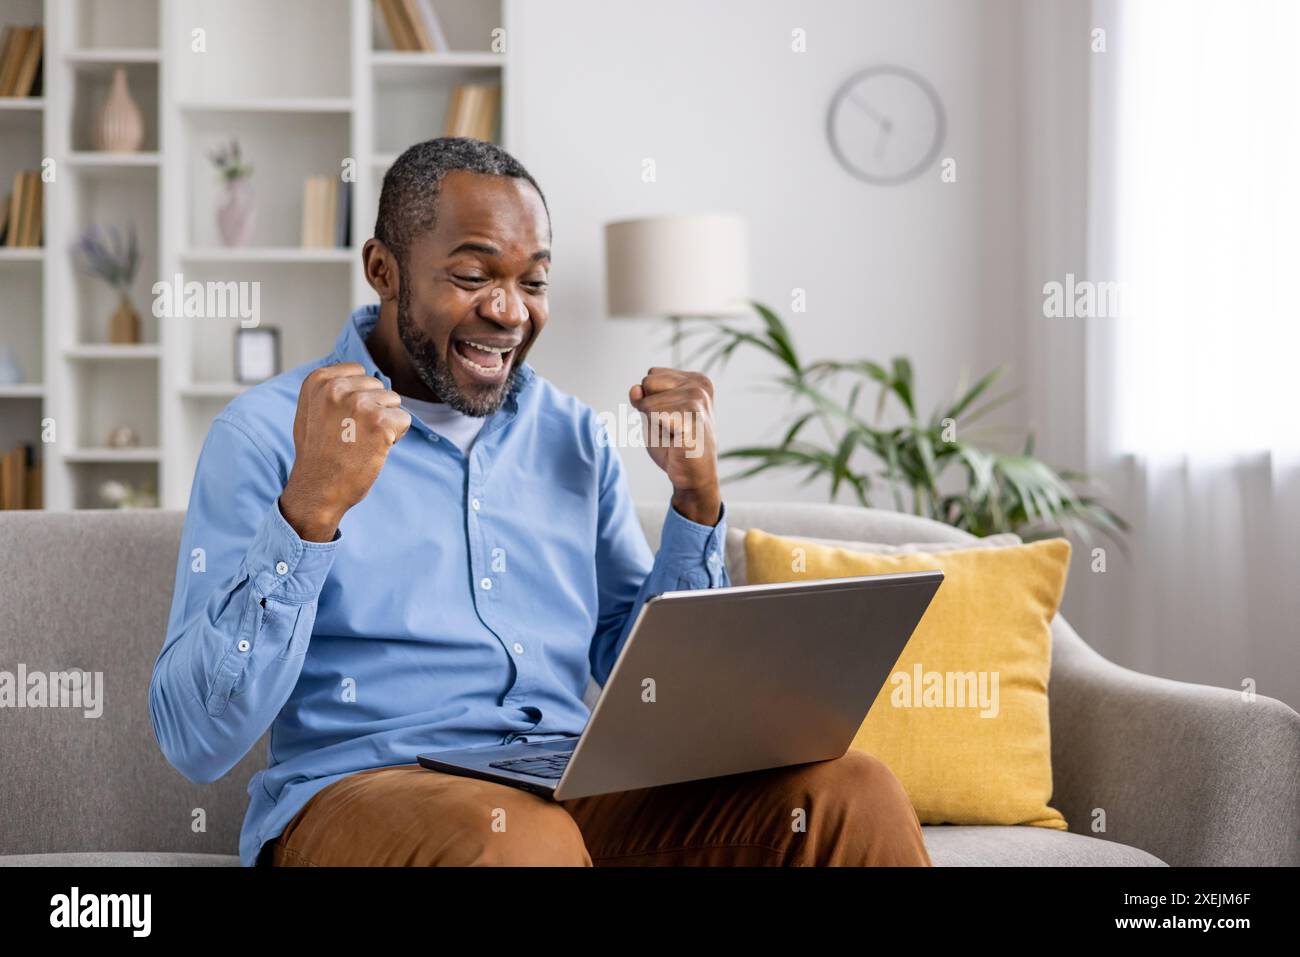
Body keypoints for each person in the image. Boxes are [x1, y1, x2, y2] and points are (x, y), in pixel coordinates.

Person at [148, 137, 931, 867]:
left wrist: (695, 500)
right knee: (521, 838)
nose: (510, 311)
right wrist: (309, 513)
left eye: (533, 282)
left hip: (567, 783)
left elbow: (642, 675)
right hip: (363, 788)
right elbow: (195, 738)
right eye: (472, 276)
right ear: (383, 269)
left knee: (850, 792)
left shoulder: (574, 434)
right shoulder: (267, 433)